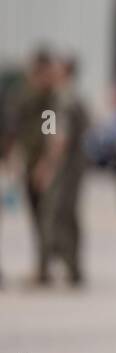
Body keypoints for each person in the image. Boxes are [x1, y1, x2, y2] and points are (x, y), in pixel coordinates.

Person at [33, 57, 90, 285]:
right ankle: (72, 268)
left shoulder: (63, 98)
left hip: (63, 168)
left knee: (54, 214)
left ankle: (50, 269)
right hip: (72, 167)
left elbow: (59, 137)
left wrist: (46, 165)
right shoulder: (69, 96)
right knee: (67, 215)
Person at [9, 49, 56, 285]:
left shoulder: (49, 101)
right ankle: (42, 266)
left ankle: (44, 268)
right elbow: (14, 129)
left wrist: (46, 163)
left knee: (45, 218)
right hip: (28, 162)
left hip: (42, 165)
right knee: (36, 217)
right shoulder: (25, 96)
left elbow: (51, 132)